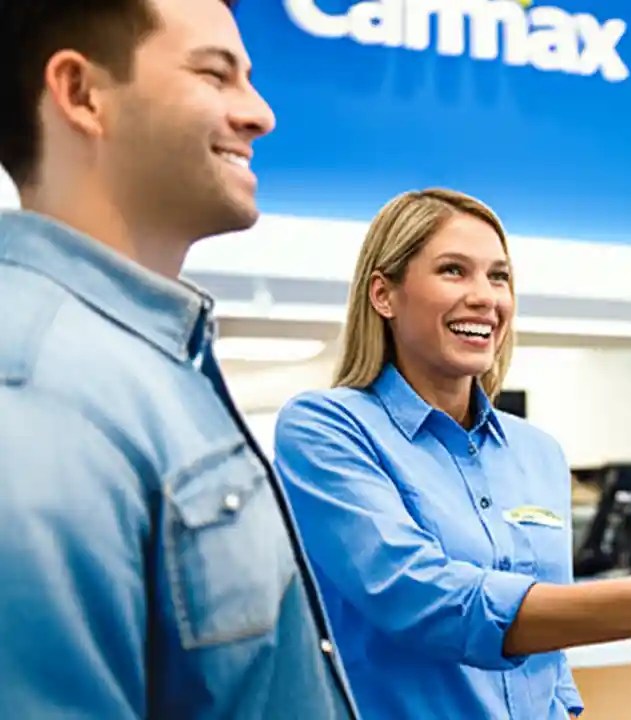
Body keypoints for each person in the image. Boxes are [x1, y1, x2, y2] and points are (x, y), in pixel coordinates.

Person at [272, 188, 631, 720]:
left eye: (498, 276)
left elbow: (549, 658)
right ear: (383, 294)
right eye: (454, 271)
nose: (486, 297)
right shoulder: (326, 429)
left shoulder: (537, 452)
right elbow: (419, 600)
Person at [0, 0, 358, 717]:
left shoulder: (157, 364)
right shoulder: (32, 395)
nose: (260, 114)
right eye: (215, 75)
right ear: (81, 93)